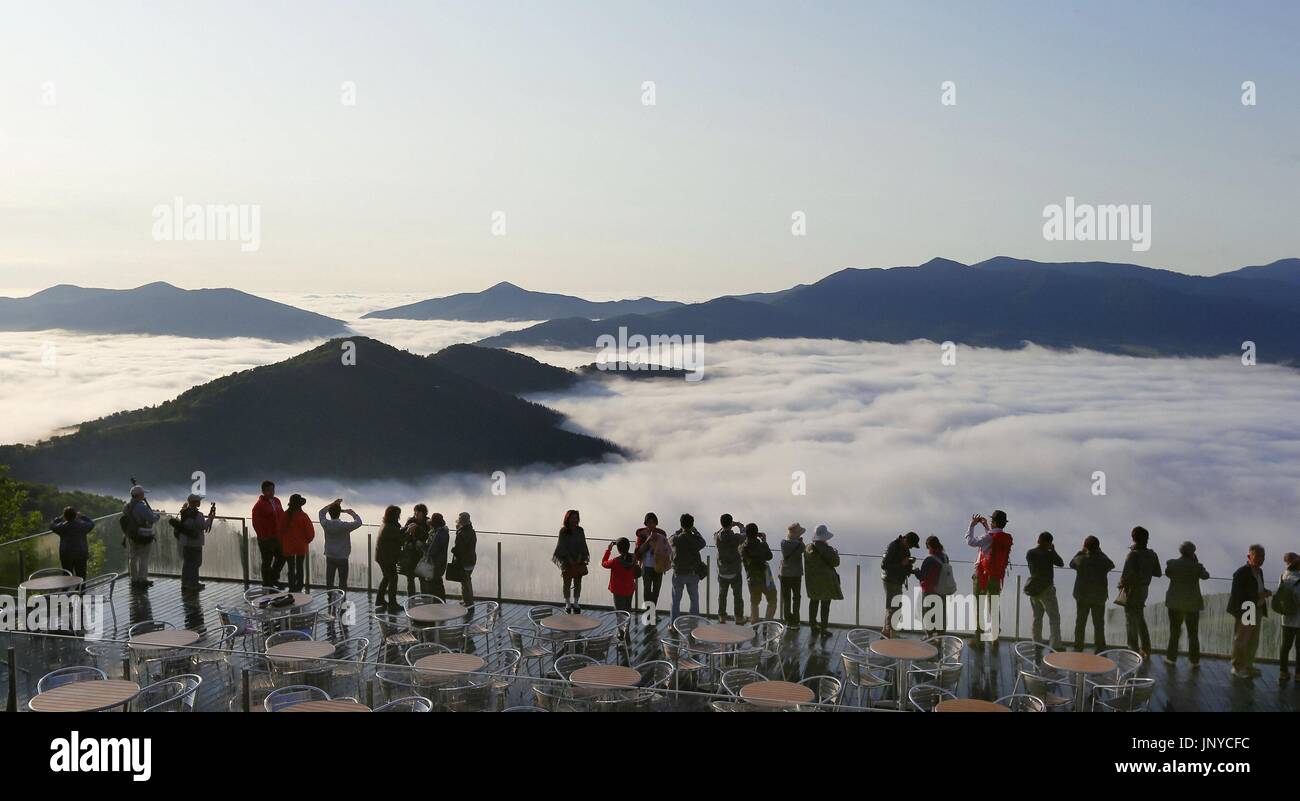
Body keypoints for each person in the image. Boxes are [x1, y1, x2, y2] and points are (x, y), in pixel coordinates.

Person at [965, 510, 1013, 646]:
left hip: (982, 575)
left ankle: (978, 639)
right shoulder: (1004, 537)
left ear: (995, 522)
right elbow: (992, 541)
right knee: (994, 607)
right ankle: (994, 638)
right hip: (997, 577)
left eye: (992, 521)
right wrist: (987, 527)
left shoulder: (989, 537)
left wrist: (972, 525)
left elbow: (971, 542)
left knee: (979, 606)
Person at [1228, 544, 1271, 679]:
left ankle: (1248, 665)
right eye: (1258, 556)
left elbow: (1255, 588)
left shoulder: (1259, 571)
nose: (1261, 559)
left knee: (1253, 640)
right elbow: (1237, 594)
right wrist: (1259, 595)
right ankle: (1237, 667)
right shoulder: (1241, 572)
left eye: (1263, 556)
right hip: (1246, 608)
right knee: (1242, 639)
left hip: (1256, 608)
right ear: (1249, 556)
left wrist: (1263, 593)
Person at [1164, 540, 1209, 666]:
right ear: (1193, 553)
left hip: (1174, 603)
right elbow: (1206, 576)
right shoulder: (1197, 567)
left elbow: (1168, 574)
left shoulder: (1172, 563)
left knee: (1174, 632)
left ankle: (1171, 658)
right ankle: (1194, 660)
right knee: (1193, 634)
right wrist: (1196, 562)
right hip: (1192, 605)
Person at [1118, 526, 1161, 658]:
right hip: (1144, 589)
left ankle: (1133, 649)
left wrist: (1121, 585)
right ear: (1147, 538)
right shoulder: (1152, 554)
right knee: (1140, 619)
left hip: (1132, 590)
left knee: (1130, 620)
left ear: (1133, 538)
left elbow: (1125, 575)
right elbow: (1158, 573)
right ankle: (1146, 648)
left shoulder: (1133, 555)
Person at [1070, 535, 1114, 652]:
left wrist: (1081, 551)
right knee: (1099, 623)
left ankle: (1078, 646)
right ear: (1098, 547)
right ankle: (1100, 647)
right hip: (1099, 597)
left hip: (1082, 596)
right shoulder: (1103, 560)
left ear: (1086, 546)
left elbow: (1071, 563)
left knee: (1080, 622)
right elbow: (1111, 564)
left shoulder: (1081, 559)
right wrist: (1101, 553)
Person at [1024, 531, 1064, 649]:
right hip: (1047, 589)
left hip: (1034, 589)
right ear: (1049, 543)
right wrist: (1053, 551)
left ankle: (1036, 642)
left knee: (1037, 617)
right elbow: (1060, 563)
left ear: (1038, 540)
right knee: (1054, 617)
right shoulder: (1049, 554)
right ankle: (1055, 645)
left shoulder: (1030, 553)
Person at [804, 525, 842, 634]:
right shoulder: (827, 549)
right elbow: (836, 563)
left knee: (814, 601)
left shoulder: (807, 548)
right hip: (825, 581)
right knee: (825, 605)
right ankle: (823, 628)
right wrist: (835, 553)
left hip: (812, 580)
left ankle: (813, 625)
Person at [319, 499, 363, 591]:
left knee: (329, 580)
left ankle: (329, 597)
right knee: (342, 581)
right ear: (339, 513)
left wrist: (332, 504)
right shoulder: (344, 526)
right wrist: (351, 513)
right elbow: (359, 522)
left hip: (330, 555)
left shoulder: (326, 524)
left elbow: (321, 512)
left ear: (330, 513)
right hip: (342, 556)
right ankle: (342, 598)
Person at [881, 531, 919, 637]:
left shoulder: (902, 547)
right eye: (911, 545)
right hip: (891, 580)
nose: (911, 548)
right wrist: (902, 564)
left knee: (892, 606)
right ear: (906, 540)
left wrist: (909, 565)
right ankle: (891, 633)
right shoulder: (893, 546)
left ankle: (887, 631)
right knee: (895, 606)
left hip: (895, 580)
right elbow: (884, 565)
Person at [669, 513, 706, 620]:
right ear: (692, 525)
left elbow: (669, 539)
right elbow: (703, 542)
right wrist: (696, 531)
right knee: (694, 599)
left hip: (678, 574)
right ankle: (694, 623)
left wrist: (679, 531)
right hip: (692, 573)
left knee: (676, 600)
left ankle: (673, 624)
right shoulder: (695, 539)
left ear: (681, 524)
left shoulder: (675, 539)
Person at [176, 493, 214, 592]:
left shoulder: (184, 512)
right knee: (196, 563)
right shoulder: (198, 515)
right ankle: (193, 583)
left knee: (187, 563)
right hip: (196, 542)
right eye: (198, 501)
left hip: (185, 542)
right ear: (195, 502)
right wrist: (210, 518)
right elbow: (203, 526)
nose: (200, 502)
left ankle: (185, 583)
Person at [123, 485, 159, 589]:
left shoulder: (127, 506)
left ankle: (134, 579)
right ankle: (142, 579)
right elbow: (152, 518)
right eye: (143, 494)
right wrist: (157, 516)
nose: (144, 496)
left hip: (132, 535)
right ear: (139, 495)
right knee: (143, 557)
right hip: (143, 535)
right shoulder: (141, 507)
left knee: (133, 557)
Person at [913, 535, 951, 636]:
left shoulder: (929, 560)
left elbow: (922, 577)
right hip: (941, 590)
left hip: (929, 591)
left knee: (928, 613)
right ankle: (940, 635)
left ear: (929, 546)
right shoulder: (945, 557)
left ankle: (929, 636)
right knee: (940, 614)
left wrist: (916, 571)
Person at [553, 510, 589, 613]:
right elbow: (561, 546)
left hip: (579, 560)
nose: (574, 520)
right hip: (566, 561)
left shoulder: (580, 530)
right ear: (567, 519)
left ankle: (576, 602)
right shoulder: (563, 531)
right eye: (572, 517)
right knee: (567, 582)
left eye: (576, 517)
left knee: (578, 582)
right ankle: (568, 602)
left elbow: (583, 544)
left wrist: (580, 557)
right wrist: (569, 559)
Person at [278, 494, 315, 593]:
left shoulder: (285, 515)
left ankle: (291, 587)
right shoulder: (303, 516)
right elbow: (310, 533)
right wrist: (307, 541)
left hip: (288, 546)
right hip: (300, 546)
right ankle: (299, 587)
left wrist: (283, 542)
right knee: (300, 567)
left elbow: (280, 531)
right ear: (300, 505)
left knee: (291, 568)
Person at [251, 481, 285, 587]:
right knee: (267, 561)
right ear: (264, 491)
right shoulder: (259, 506)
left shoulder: (277, 501)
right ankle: (267, 583)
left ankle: (273, 578)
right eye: (269, 490)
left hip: (277, 536)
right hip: (266, 538)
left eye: (273, 490)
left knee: (282, 556)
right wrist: (263, 536)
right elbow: (256, 523)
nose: (272, 492)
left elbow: (282, 516)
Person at [739, 523, 774, 624]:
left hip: (752, 579)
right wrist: (764, 541)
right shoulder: (762, 545)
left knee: (754, 602)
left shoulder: (742, 548)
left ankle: (754, 624)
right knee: (772, 600)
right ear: (756, 533)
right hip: (764, 578)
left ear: (746, 534)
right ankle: (766, 624)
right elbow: (769, 556)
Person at [634, 513, 669, 612]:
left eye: (653, 522)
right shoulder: (642, 535)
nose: (651, 525)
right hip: (647, 566)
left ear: (656, 523)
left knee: (656, 591)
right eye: (649, 522)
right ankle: (648, 613)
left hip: (658, 566)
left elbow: (665, 549)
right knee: (647, 590)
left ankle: (651, 611)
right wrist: (647, 541)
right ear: (646, 523)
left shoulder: (661, 535)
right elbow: (639, 551)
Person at [714, 514, 745, 623]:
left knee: (722, 595)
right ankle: (739, 618)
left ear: (721, 524)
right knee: (737, 595)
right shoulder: (736, 538)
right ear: (731, 524)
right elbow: (744, 535)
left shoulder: (717, 537)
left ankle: (722, 617)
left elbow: (717, 532)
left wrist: (725, 526)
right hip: (735, 571)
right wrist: (740, 526)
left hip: (722, 571)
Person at [50, 507, 94, 579]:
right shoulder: (82, 526)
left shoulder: (62, 527)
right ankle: (81, 589)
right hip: (81, 553)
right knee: (81, 575)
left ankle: (67, 589)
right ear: (76, 515)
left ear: (65, 516)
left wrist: (59, 518)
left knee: (67, 575)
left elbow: (52, 525)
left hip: (66, 555)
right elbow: (91, 523)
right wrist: (82, 516)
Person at [374, 505, 403, 612]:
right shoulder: (390, 527)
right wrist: (409, 529)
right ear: (395, 516)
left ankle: (379, 599)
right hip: (387, 558)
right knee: (393, 579)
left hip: (382, 557)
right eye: (398, 514)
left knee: (387, 577)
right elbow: (401, 539)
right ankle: (392, 603)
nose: (399, 516)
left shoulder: (386, 525)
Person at [601, 538, 639, 617]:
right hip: (630, 588)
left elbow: (604, 563)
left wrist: (608, 550)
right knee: (627, 609)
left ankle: (621, 628)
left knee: (620, 612)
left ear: (618, 549)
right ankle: (626, 627)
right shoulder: (633, 558)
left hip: (618, 590)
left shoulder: (615, 561)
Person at [1278, 552, 1300, 683]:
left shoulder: (1282, 576)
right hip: (1298, 618)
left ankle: (1283, 672)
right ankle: (1298, 674)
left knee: (1285, 646)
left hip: (1286, 617)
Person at [779, 523, 806, 626]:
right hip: (796, 574)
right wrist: (800, 542)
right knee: (796, 597)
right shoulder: (800, 545)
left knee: (786, 598)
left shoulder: (783, 542)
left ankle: (787, 618)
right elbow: (802, 550)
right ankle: (796, 618)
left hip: (784, 574)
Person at [402, 504, 432, 595]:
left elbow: (428, 536)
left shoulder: (428, 521)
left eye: (418, 511)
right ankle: (411, 598)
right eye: (415, 511)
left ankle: (424, 597)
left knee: (422, 578)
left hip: (422, 554)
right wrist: (408, 530)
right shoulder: (411, 520)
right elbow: (404, 534)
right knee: (410, 577)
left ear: (423, 512)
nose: (416, 513)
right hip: (411, 553)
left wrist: (417, 529)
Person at [451, 512, 477, 608]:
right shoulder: (472, 531)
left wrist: (453, 550)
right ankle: (467, 600)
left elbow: (459, 549)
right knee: (467, 580)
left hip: (463, 561)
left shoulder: (461, 533)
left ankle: (468, 602)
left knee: (465, 581)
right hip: (471, 559)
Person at [425, 512, 450, 600]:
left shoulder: (439, 534)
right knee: (438, 583)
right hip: (440, 562)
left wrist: (421, 545)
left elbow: (432, 550)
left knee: (433, 585)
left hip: (435, 563)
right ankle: (441, 603)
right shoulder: (444, 532)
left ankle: (436, 604)